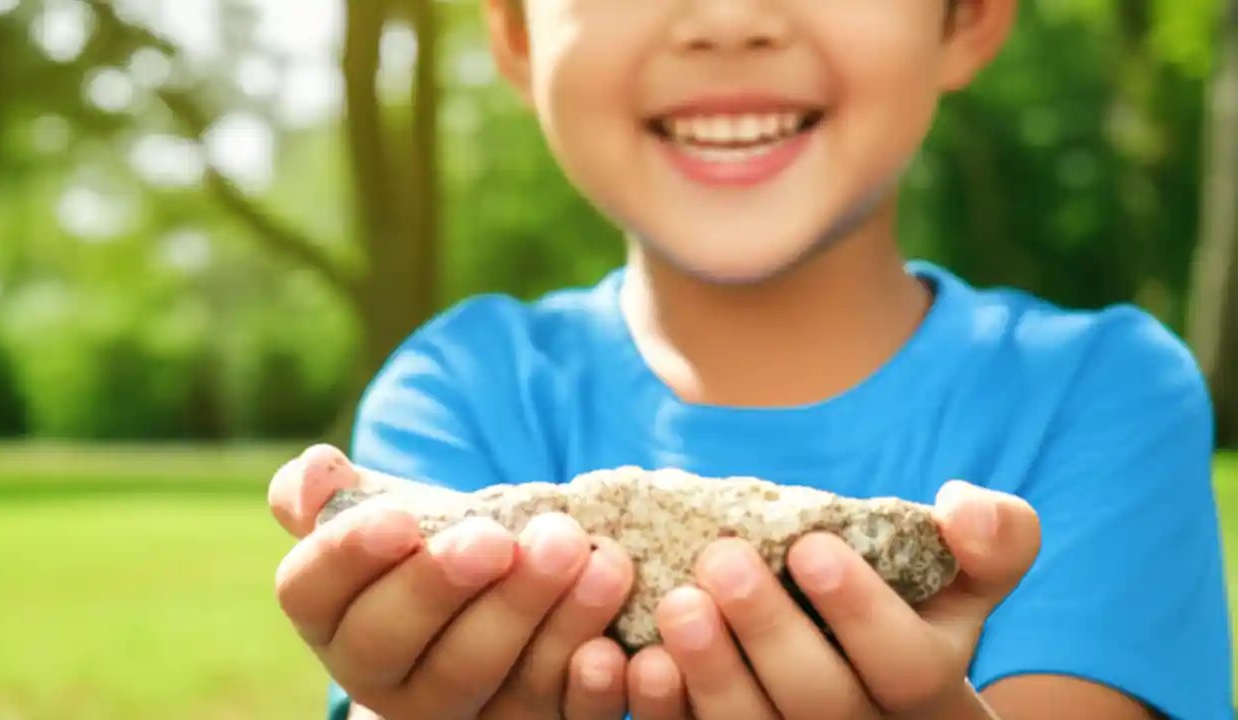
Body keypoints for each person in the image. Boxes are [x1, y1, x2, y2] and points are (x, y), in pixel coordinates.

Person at [267, 0, 1233, 716]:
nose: (728, 18)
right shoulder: (458, 391)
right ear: (517, 35)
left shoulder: (1102, 394)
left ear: (969, 15)